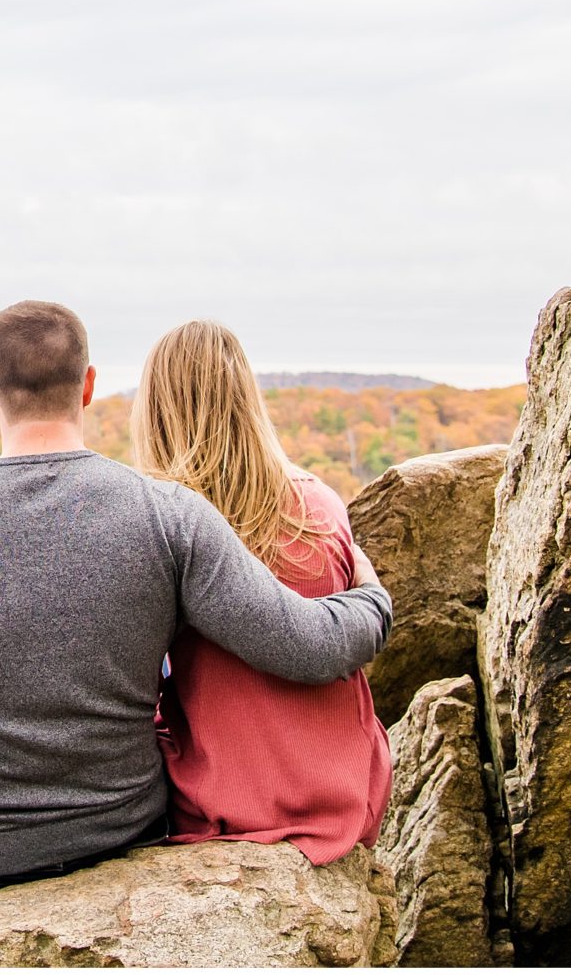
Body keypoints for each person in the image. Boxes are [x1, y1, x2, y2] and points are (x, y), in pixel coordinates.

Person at [0, 300, 392, 901]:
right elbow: (306, 645)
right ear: (88, 385)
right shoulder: (168, 515)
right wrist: (372, 598)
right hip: (117, 828)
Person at [133, 320, 394, 864]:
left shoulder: (162, 529)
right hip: (348, 795)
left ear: (155, 411)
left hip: (227, 805)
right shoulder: (319, 505)